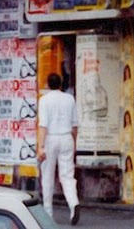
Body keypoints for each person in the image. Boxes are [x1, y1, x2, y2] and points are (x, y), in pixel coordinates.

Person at [36, 72, 80, 225]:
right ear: (61, 84)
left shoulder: (44, 100)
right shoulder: (70, 99)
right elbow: (75, 125)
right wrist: (73, 143)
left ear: (48, 84)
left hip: (50, 138)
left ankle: (48, 212)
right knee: (67, 175)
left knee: (47, 176)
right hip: (67, 137)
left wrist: (41, 147)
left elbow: (43, 126)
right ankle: (73, 203)